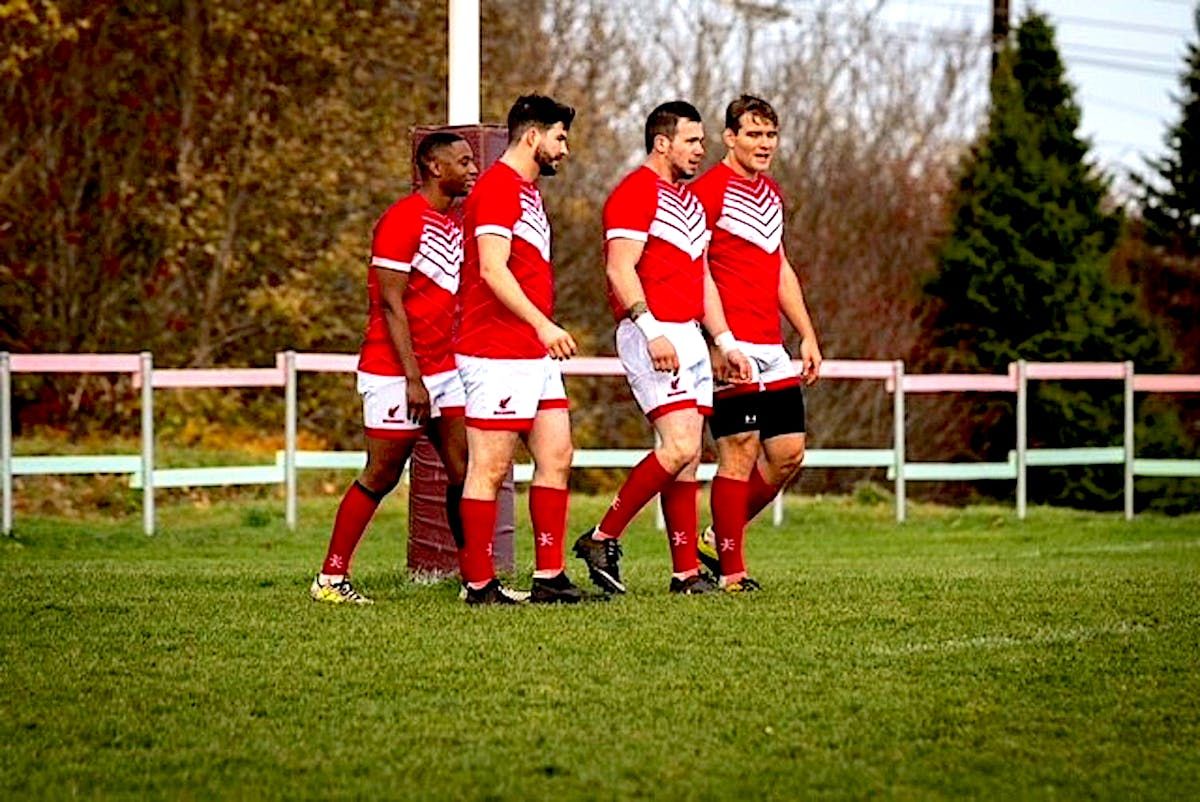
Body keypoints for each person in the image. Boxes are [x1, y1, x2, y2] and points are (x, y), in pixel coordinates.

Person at [573, 101, 752, 596]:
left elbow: (704, 277)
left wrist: (725, 340)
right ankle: (602, 536)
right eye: (692, 141)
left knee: (689, 457)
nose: (702, 150)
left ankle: (685, 573)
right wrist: (650, 329)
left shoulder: (690, 201)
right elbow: (619, 268)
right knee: (676, 447)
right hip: (651, 332)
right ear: (662, 142)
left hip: (690, 333)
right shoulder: (634, 192)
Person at [311, 132, 480, 605]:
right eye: (463, 161)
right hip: (395, 371)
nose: (472, 169)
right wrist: (413, 378)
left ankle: (476, 581)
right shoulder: (402, 220)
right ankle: (330, 579)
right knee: (382, 474)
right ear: (432, 166)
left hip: (447, 370)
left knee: (465, 469)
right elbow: (389, 303)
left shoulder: (457, 221)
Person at [688, 95, 823, 592]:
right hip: (729, 343)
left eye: (771, 135)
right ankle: (732, 572)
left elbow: (779, 266)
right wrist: (717, 342)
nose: (764, 144)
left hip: (772, 346)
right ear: (730, 137)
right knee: (739, 452)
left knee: (788, 453)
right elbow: (694, 270)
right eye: (754, 134)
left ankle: (716, 537)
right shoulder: (705, 193)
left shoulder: (772, 193)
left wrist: (806, 333)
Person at [454, 94, 585, 606]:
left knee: (557, 454)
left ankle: (549, 576)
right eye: (560, 137)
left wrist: (540, 332)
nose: (565, 150)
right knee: (489, 467)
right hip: (495, 350)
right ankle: (479, 585)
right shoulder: (498, 189)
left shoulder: (528, 192)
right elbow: (491, 269)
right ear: (533, 136)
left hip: (531, 351)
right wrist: (543, 324)